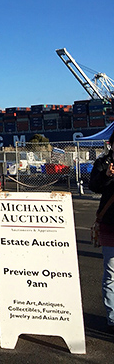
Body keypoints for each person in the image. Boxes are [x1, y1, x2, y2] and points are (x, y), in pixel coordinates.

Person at [88, 132, 114, 333]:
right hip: (110, 222)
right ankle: (112, 318)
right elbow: (93, 186)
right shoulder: (103, 163)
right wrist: (106, 176)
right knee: (111, 273)